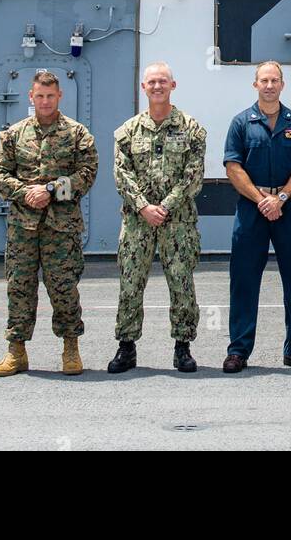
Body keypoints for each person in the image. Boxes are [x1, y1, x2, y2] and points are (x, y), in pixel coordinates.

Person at [0, 69, 98, 377]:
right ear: (31, 96)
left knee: (64, 288)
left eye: (51, 96)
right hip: (23, 227)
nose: (45, 101)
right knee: (19, 288)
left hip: (61, 228)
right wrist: (26, 193)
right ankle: (17, 351)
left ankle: (71, 349)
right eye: (40, 96)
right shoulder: (14, 135)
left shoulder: (77, 134)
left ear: (60, 96)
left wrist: (50, 190)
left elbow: (87, 175)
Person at [107, 62, 205, 375]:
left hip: (178, 223)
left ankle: (183, 346)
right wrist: (144, 207)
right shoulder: (127, 131)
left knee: (181, 284)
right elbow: (121, 174)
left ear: (173, 86)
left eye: (163, 81)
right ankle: (126, 346)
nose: (158, 87)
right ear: (144, 87)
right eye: (152, 82)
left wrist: (164, 206)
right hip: (138, 223)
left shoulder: (191, 128)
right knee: (131, 284)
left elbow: (194, 175)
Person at [221, 61, 291, 372]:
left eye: (275, 80)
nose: (270, 85)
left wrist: (281, 198)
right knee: (244, 280)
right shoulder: (241, 123)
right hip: (252, 208)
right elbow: (233, 166)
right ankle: (238, 351)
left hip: (288, 208)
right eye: (264, 80)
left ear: (282, 85)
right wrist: (262, 200)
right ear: (255, 85)